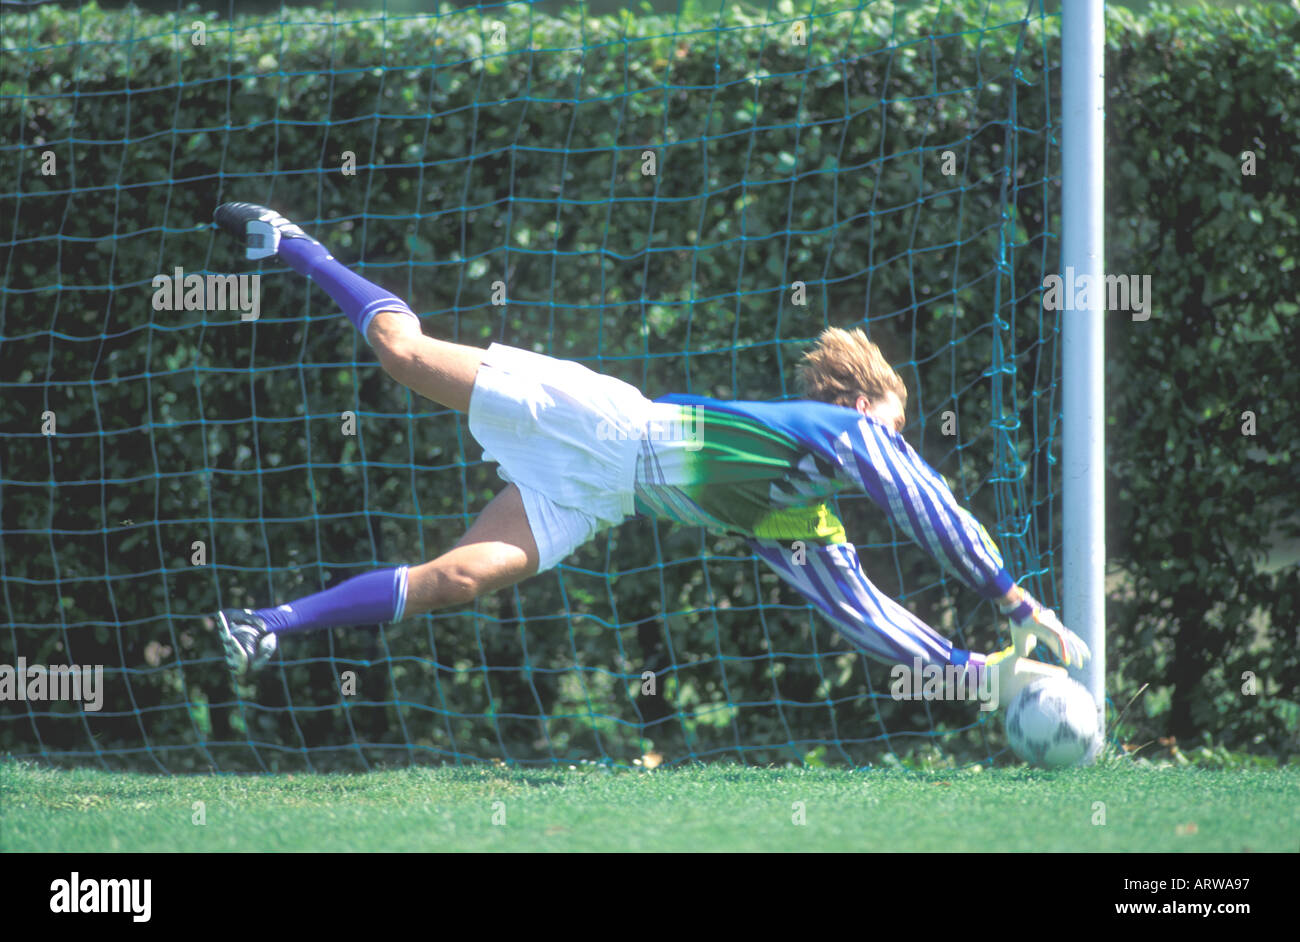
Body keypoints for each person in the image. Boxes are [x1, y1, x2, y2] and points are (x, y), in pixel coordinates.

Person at [209, 202, 1089, 707]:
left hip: (595, 500)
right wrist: (1008, 597)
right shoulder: (839, 431)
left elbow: (860, 611)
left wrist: (977, 675)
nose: (891, 445)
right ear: (860, 408)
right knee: (404, 355)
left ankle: (269, 625)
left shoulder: (799, 514)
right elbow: (922, 501)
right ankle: (295, 243)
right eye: (890, 427)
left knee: (458, 581)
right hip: (592, 420)